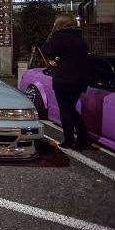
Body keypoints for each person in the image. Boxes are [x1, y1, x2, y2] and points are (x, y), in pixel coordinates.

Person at [42, 14, 91, 149]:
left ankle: (69, 140)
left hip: (63, 79)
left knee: (65, 109)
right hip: (79, 80)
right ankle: (82, 139)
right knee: (70, 108)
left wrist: (52, 32)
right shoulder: (80, 37)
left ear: (59, 24)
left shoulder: (59, 36)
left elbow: (47, 50)